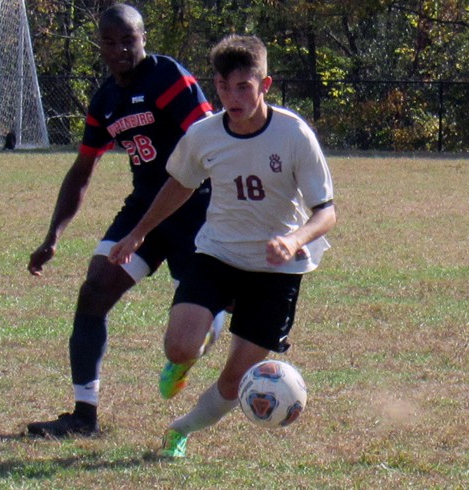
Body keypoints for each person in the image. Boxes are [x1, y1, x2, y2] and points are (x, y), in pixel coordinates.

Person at [109, 34, 336, 458]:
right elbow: (179, 184)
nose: (232, 98)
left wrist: (293, 239)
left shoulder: (293, 134)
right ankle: (184, 360)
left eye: (243, 87)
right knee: (178, 345)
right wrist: (138, 232)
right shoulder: (205, 134)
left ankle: (180, 430)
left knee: (235, 380)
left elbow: (326, 212)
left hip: (277, 270)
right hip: (218, 254)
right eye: (223, 87)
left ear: (264, 85)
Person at [25, 4, 222, 438]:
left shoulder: (166, 77)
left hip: (194, 207)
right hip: (144, 210)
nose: (119, 50)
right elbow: (82, 170)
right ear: (100, 45)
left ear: (143, 38)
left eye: (128, 40)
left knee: (190, 332)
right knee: (94, 290)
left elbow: (210, 140)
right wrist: (53, 235)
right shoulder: (105, 101)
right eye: (109, 42)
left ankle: (200, 338)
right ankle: (83, 416)